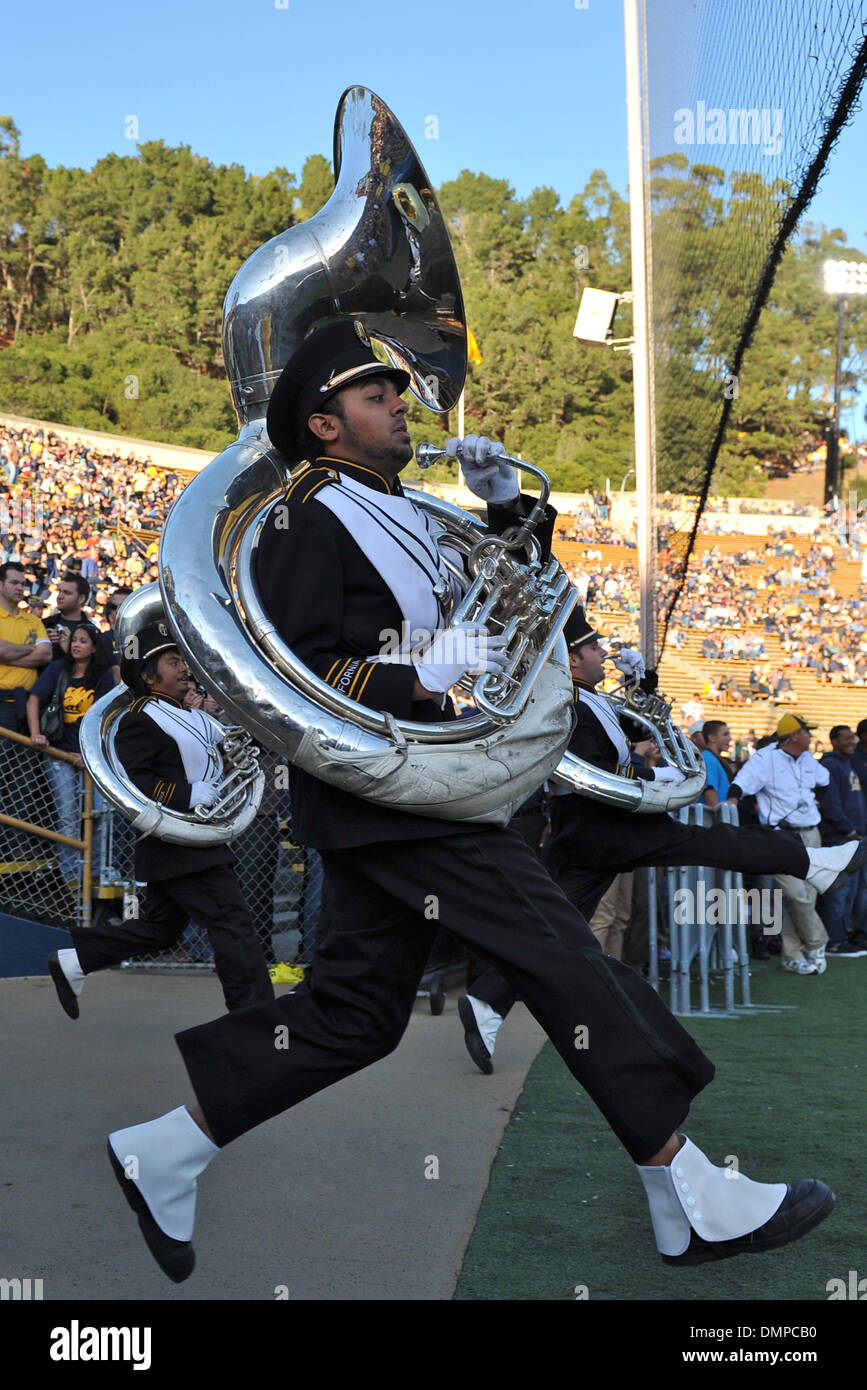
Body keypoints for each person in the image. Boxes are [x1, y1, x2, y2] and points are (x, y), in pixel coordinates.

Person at [102, 321, 836, 1284]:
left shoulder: (398, 506)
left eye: (395, 391)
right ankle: (683, 1188)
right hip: (395, 794)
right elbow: (293, 670)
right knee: (559, 950)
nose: (400, 402)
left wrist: (506, 517)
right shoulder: (301, 517)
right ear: (323, 423)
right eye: (375, 396)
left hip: (417, 793)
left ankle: (167, 1150)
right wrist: (420, 672)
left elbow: (509, 605)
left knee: (354, 1015)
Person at [458, 613, 863, 1069]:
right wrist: (655, 774)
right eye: (594, 650)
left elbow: (638, 725)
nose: (604, 654)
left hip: (593, 832)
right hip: (602, 825)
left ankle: (488, 1000)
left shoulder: (589, 699)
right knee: (716, 842)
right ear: (572, 660)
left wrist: (641, 680)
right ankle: (810, 863)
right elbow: (592, 767)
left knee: (559, 929)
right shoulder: (561, 702)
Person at [45, 621, 274, 1020]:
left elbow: (221, 756)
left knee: (160, 930)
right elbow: (135, 781)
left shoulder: (195, 714)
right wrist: (186, 794)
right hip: (181, 847)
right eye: (174, 660)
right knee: (233, 927)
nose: (185, 667)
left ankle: (75, 959)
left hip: (198, 842)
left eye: (183, 659)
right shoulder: (138, 719)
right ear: (149, 674)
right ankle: (255, 1022)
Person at [728, 714, 845, 976]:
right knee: (796, 895)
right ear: (794, 735)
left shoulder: (806, 758)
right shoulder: (764, 759)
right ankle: (817, 942)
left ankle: (792, 956)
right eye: (807, 731)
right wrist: (732, 801)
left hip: (811, 834)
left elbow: (824, 782)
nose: (812, 736)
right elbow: (740, 784)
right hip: (781, 836)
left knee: (806, 896)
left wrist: (814, 803)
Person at [26, 622, 116, 888]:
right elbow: (34, 700)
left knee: (100, 815)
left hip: (92, 760)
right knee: (68, 816)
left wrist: (88, 753)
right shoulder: (57, 669)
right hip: (59, 755)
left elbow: (106, 718)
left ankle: (96, 873)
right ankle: (71, 876)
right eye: (74, 640)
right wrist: (35, 733)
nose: (76, 644)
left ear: (93, 648)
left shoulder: (104, 676)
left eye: (83, 641)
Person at [818, 726, 867, 957]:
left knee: (850, 891)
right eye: (847, 738)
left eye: (853, 738)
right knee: (839, 890)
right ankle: (834, 941)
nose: (853, 742)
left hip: (854, 837)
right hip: (840, 838)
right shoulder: (829, 765)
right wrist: (848, 830)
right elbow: (831, 804)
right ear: (834, 741)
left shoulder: (846, 763)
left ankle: (842, 937)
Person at [0, 560, 52, 731]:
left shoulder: (33, 621)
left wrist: (8, 657)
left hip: (29, 703)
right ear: (1, 585)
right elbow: (1, 651)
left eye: (22, 583)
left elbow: (45, 655)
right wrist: (30, 648)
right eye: (14, 582)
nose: (20, 587)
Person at [700, 720, 732, 808]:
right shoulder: (708, 759)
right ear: (712, 737)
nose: (730, 738)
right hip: (718, 819)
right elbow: (711, 800)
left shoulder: (712, 758)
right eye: (725, 734)